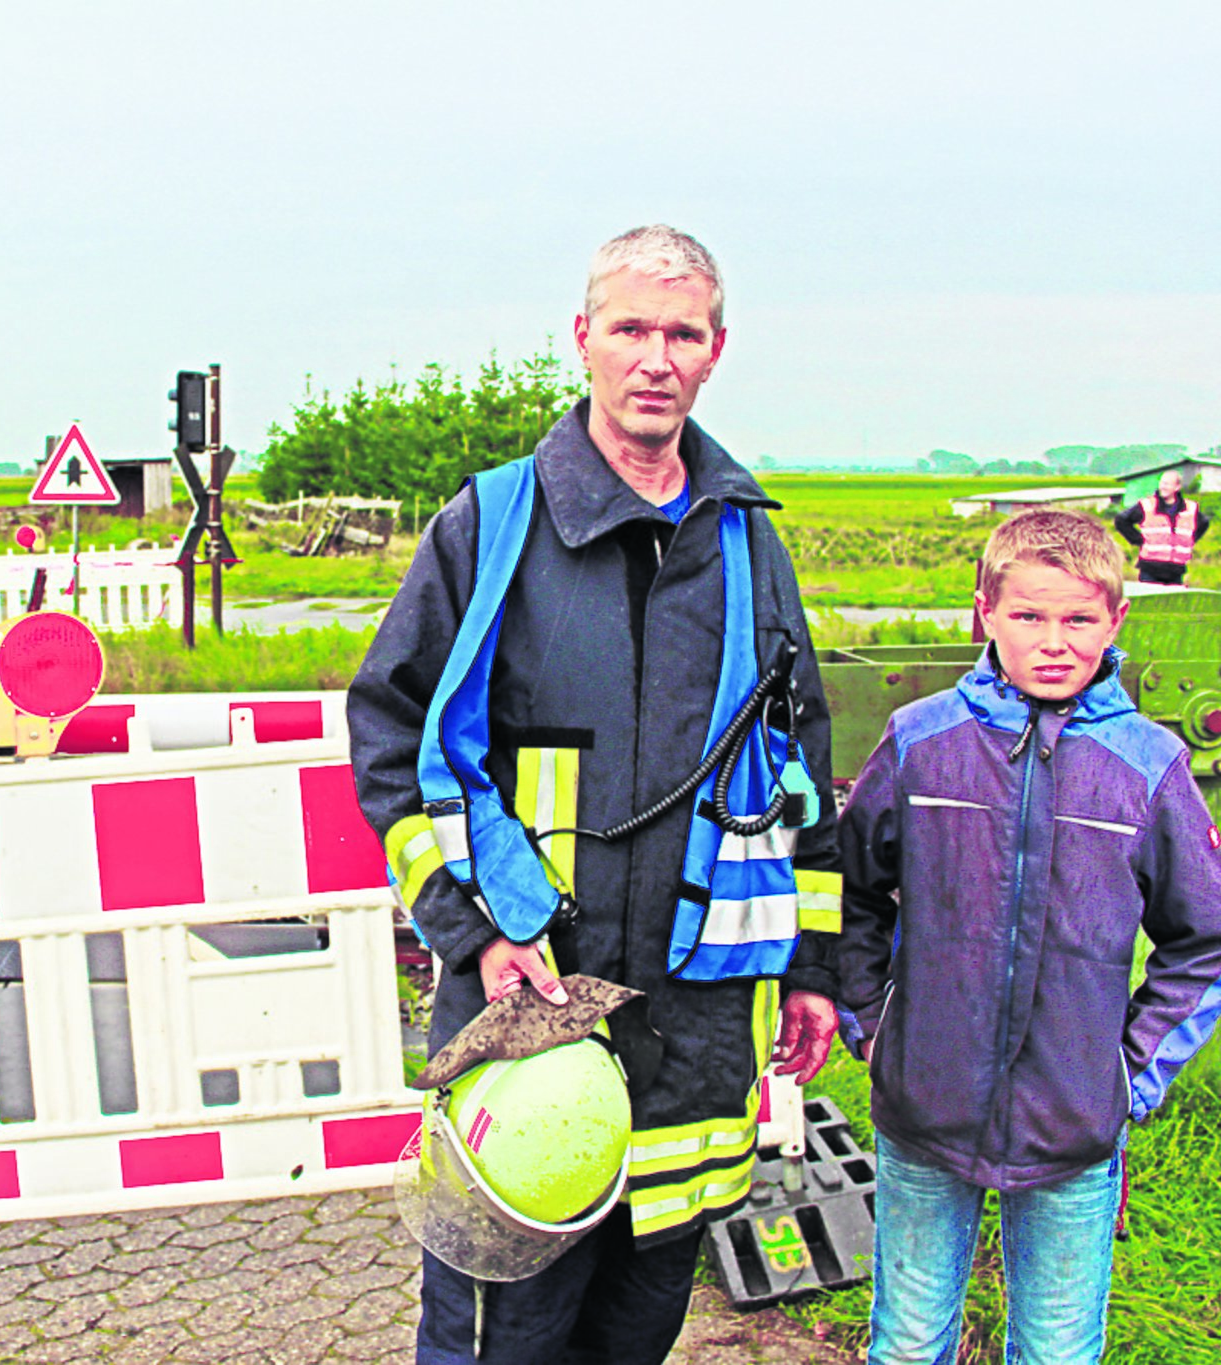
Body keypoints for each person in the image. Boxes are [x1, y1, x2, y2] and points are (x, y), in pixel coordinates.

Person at [348, 225, 843, 1365]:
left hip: (696, 1026)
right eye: (628, 329)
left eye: (680, 333)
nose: (653, 358)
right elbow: (390, 734)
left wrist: (810, 969)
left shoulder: (748, 543)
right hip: (527, 999)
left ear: (715, 351)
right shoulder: (490, 526)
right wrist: (470, 933)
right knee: (494, 1336)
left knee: (634, 1330)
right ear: (582, 339)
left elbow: (798, 768)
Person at [834, 508, 1221, 1364]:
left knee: (1057, 1350)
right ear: (984, 611)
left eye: (1078, 618)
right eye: (1028, 615)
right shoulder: (922, 742)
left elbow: (1208, 939)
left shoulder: (1147, 764)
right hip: (922, 1109)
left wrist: (1128, 1074)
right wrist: (875, 1031)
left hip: (1074, 1126)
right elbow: (852, 895)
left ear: (1116, 621)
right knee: (908, 1341)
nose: (1053, 642)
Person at [1113, 469, 1210, 584]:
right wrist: (1139, 540)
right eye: (1162, 483)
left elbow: (1204, 523)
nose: (1163, 487)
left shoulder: (1190, 508)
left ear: (1177, 487)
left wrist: (1189, 540)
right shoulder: (1147, 505)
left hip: (1176, 570)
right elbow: (1121, 520)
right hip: (1150, 569)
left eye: (1167, 484)